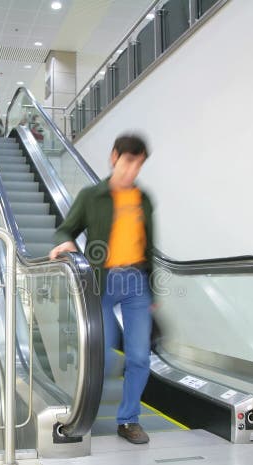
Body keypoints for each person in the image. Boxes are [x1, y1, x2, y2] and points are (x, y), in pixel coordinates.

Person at [49, 134, 155, 445]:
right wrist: (65, 242)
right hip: (102, 281)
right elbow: (65, 228)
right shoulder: (92, 196)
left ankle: (128, 420)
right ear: (114, 158)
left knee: (139, 357)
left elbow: (151, 247)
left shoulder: (143, 200)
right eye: (128, 162)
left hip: (136, 283)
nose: (132, 170)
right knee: (102, 356)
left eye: (138, 164)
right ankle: (83, 414)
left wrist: (154, 295)